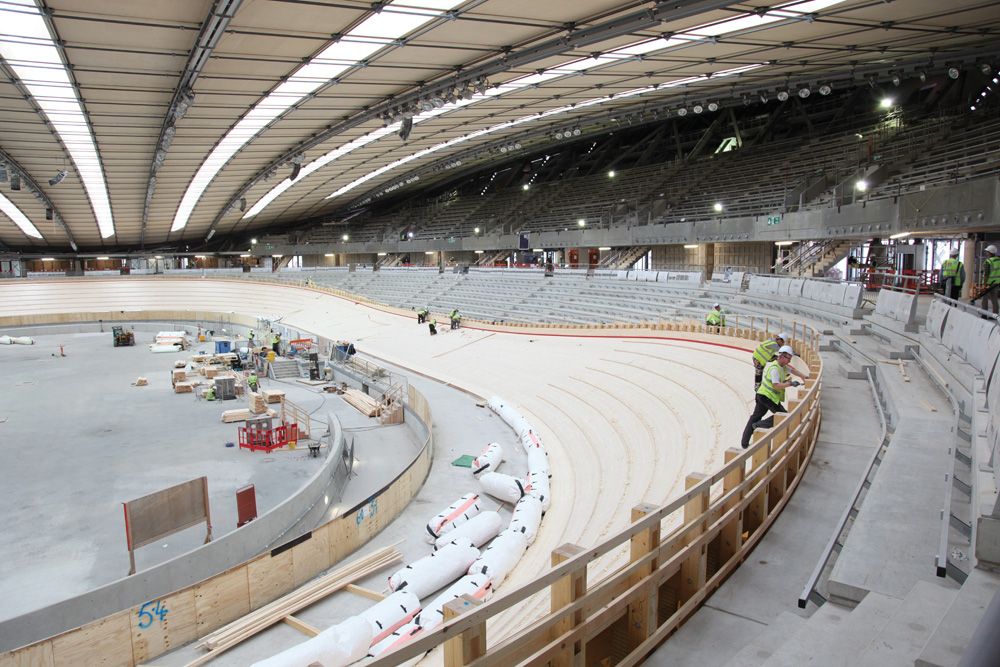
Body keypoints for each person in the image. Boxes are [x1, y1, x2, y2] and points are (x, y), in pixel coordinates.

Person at [740, 345, 808, 449]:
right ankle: (759, 425)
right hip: (767, 397)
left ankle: (744, 443)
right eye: (788, 358)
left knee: (755, 417)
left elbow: (792, 370)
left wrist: (803, 376)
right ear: (782, 356)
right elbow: (776, 385)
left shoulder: (782, 366)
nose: (789, 361)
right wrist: (790, 384)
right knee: (783, 416)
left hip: (763, 395)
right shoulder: (775, 369)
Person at [978, 245, 1000, 314]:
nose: (986, 253)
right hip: (996, 283)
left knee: (985, 299)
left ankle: (984, 314)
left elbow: (986, 275)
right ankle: (995, 314)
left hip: (988, 283)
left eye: (987, 252)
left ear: (990, 252)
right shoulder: (999, 260)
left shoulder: (988, 261)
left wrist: (984, 285)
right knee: (994, 299)